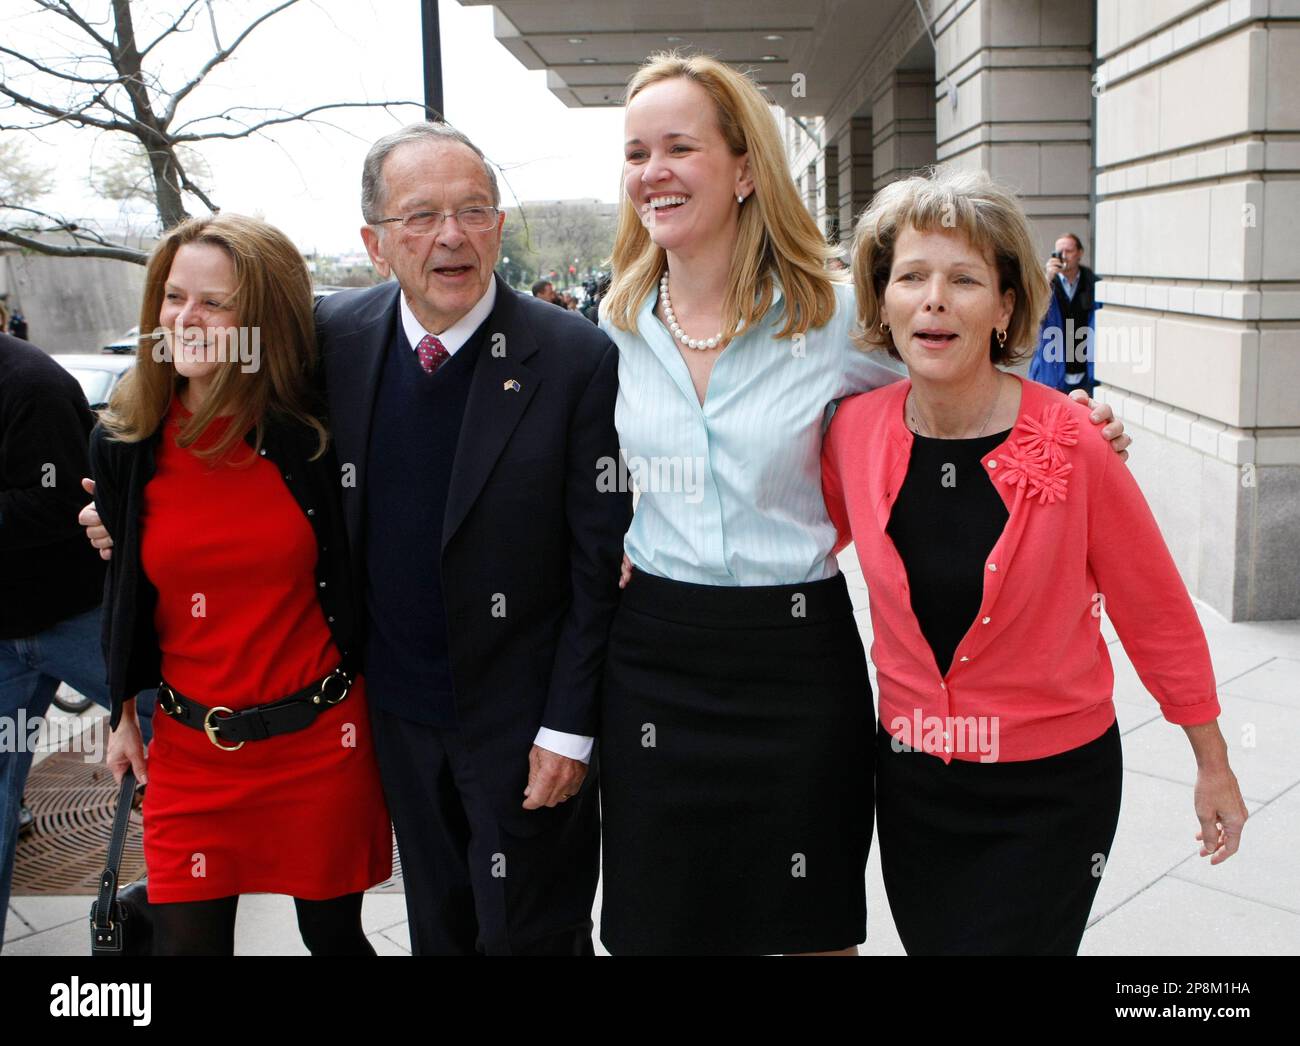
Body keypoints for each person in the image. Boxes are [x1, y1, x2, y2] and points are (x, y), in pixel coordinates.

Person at [597, 53, 1131, 955]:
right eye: (636, 151)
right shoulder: (610, 327)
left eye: (680, 147)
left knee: (811, 929)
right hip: (654, 654)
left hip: (795, 659)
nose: (653, 171)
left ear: (744, 169)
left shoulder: (834, 314)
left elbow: (959, 381)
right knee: (661, 931)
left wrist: (1068, 425)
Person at [821, 167, 1247, 955]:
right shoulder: (853, 432)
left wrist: (1212, 760)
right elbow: (788, 531)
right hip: (915, 784)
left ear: (1007, 305)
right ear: (882, 301)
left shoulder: (1076, 440)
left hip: (1051, 789)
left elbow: (1154, 609)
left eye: (964, 278)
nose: (934, 298)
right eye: (910, 277)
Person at [90, 213, 392, 956]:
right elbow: (126, 587)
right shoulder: (127, 439)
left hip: (322, 744)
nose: (184, 320)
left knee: (335, 942)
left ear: (263, 319)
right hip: (194, 752)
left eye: (214, 303)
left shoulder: (314, 434)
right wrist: (121, 708)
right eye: (172, 296)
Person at [0, 330, 116, 949]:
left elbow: (57, 503)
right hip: (4, 630)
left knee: (175, 734)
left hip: (79, 615)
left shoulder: (32, 383)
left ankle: (217, 875)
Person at [1028, 232, 1098, 395]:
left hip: (1086, 373)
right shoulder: (1046, 284)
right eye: (1059, 252)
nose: (1064, 256)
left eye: (1069, 251)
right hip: (1053, 373)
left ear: (1080, 253)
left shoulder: (1093, 284)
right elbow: (1032, 314)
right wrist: (1047, 278)